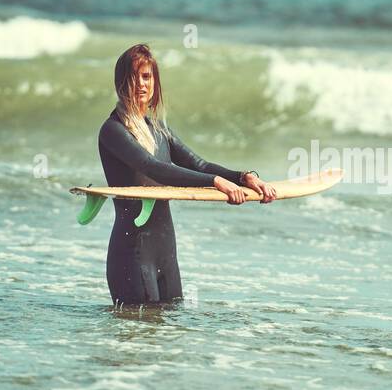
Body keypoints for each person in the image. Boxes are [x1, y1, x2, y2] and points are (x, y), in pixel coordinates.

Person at [98, 44, 276, 305]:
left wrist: (244, 177)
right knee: (136, 339)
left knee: (171, 334)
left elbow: (199, 165)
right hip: (132, 253)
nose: (141, 84)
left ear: (155, 83)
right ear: (121, 82)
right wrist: (215, 184)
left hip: (165, 253)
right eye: (134, 76)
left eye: (147, 76)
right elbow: (153, 168)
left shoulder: (159, 131)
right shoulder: (113, 131)